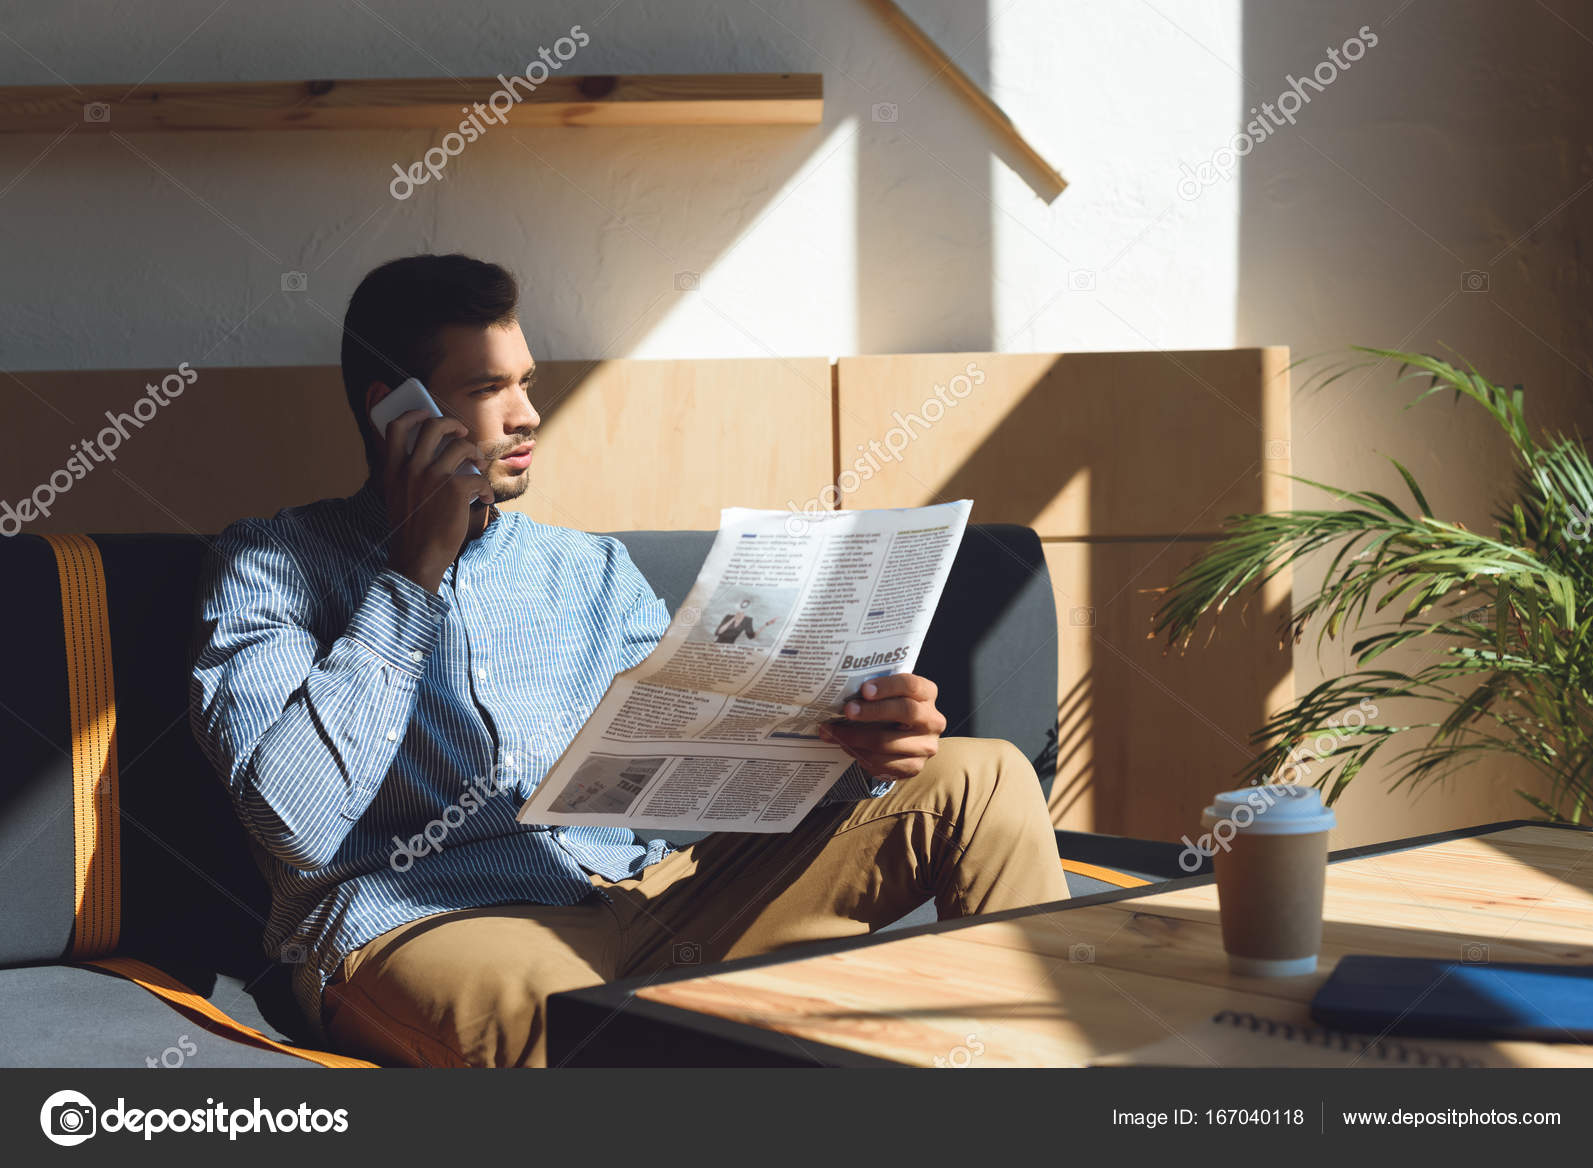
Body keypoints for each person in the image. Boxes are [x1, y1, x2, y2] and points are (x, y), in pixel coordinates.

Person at [189, 253, 1066, 1068]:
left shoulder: (591, 571)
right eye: (488, 388)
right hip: (429, 922)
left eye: (526, 383)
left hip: (649, 898)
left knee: (980, 777)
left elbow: (700, 770)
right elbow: (293, 825)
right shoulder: (272, 563)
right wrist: (413, 573)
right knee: (592, 1025)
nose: (528, 414)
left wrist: (855, 751)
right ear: (397, 412)